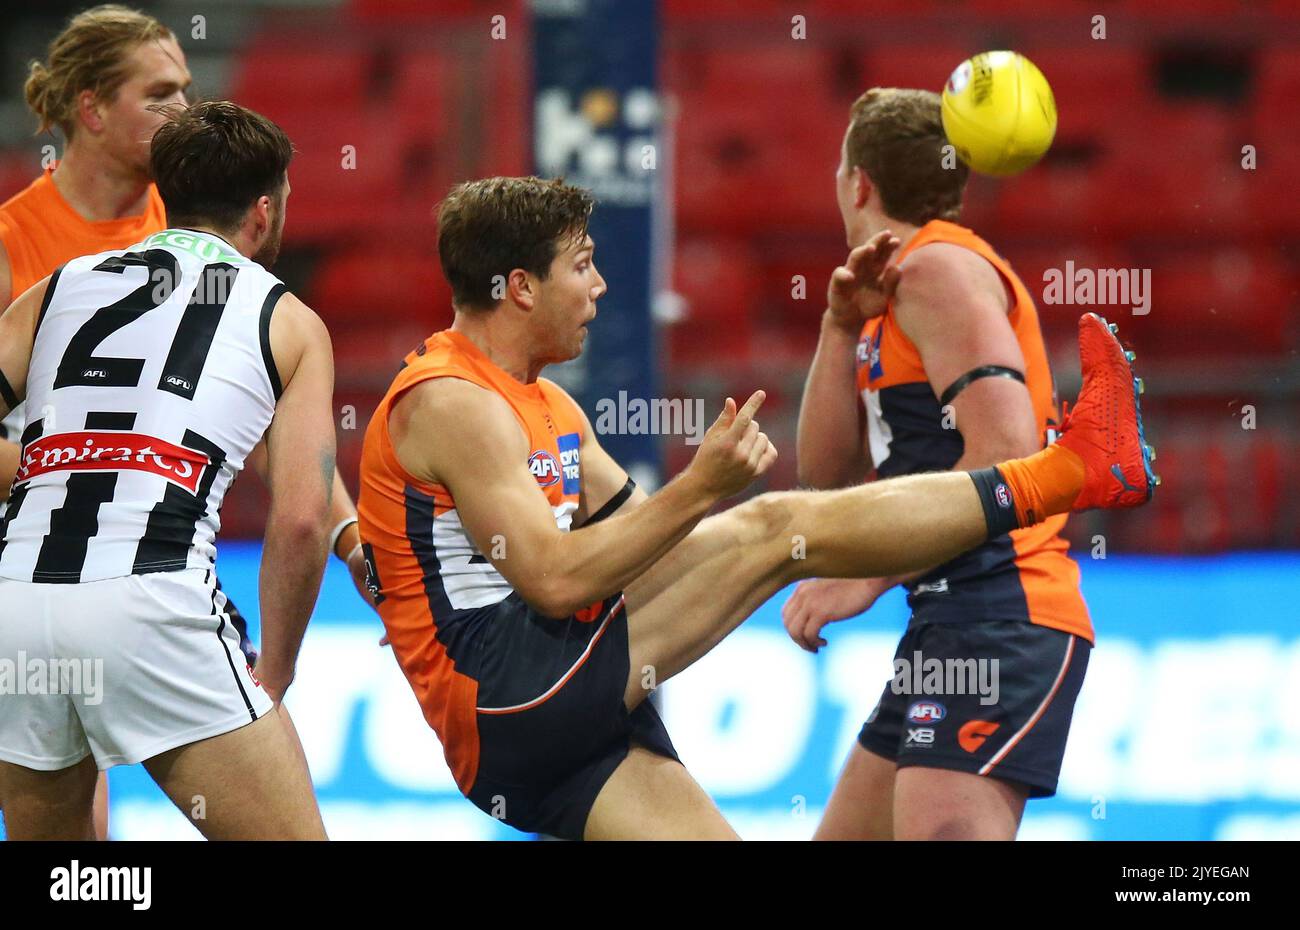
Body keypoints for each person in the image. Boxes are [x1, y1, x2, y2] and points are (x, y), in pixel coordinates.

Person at [356, 174, 1155, 841]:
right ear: (521, 288)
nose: (599, 286)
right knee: (775, 528)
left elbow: (662, 556)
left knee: (776, 532)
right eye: (583, 266)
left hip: (551, 714)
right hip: (504, 693)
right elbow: (557, 583)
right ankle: (1067, 474)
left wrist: (758, 533)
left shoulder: (549, 405)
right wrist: (708, 490)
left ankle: (1071, 471)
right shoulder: (451, 402)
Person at [0, 3, 372, 838]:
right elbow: (303, 515)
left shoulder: (59, 284)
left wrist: (58, 459)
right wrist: (274, 668)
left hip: (16, 601)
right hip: (150, 596)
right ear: (268, 212)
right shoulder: (286, 316)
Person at [784, 87, 1121, 840]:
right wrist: (840, 328)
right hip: (948, 622)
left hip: (1001, 612)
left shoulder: (937, 269)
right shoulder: (889, 283)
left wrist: (866, 573)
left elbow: (1006, 454)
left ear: (858, 181)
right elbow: (825, 479)